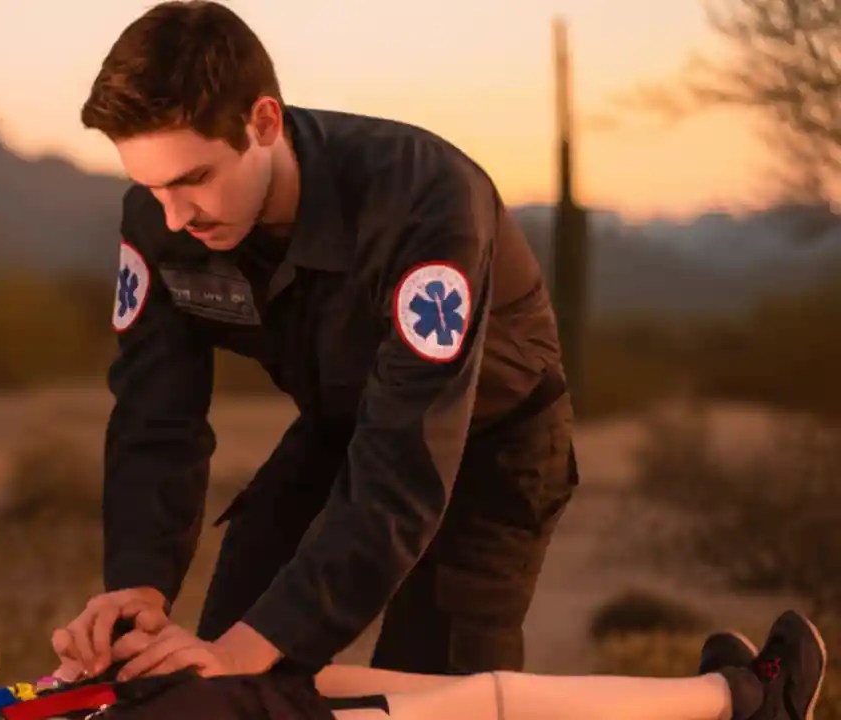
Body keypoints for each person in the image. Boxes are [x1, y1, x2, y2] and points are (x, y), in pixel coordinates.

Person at [53, 0, 577, 682]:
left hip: (494, 441)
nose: (175, 218)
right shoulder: (160, 218)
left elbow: (404, 465)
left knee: (437, 690)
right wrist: (138, 584)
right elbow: (156, 419)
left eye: (195, 179)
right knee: (217, 684)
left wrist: (248, 648)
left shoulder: (425, 200)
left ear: (264, 122)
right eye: (150, 186)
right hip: (341, 424)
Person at [0, 610, 828, 720]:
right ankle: (734, 699)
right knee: (489, 700)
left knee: (465, 693)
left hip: (285, 695)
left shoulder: (10, 708)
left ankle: (719, 695)